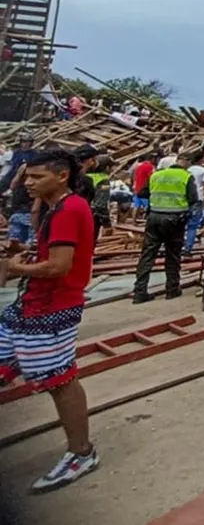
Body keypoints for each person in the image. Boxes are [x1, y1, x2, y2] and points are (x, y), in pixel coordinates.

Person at [0, 149, 98, 491]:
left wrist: (14, 268)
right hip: (30, 306)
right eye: (27, 176)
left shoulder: (69, 210)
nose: (27, 182)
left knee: (60, 380)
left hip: (52, 309)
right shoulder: (59, 208)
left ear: (61, 176)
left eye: (36, 177)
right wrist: (27, 254)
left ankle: (81, 453)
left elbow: (59, 266)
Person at [132, 154, 197, 303]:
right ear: (185, 162)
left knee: (147, 255)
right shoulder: (186, 176)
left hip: (154, 218)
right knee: (173, 255)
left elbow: (142, 192)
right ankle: (172, 289)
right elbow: (193, 199)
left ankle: (140, 291)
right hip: (175, 219)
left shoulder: (157, 175)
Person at [183, 151, 204, 255]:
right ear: (202, 160)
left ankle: (180, 244)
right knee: (192, 225)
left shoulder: (187, 170)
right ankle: (188, 248)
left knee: (183, 223)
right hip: (197, 199)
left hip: (185, 199)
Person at [86, 154, 113, 243]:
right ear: (106, 168)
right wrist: (107, 223)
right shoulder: (103, 180)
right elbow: (100, 204)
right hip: (92, 216)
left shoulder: (85, 176)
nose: (112, 170)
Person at [130, 152, 156, 225]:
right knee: (149, 206)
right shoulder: (150, 167)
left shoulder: (138, 167)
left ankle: (133, 221)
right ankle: (149, 222)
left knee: (136, 206)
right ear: (152, 159)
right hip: (145, 189)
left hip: (137, 188)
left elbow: (134, 177)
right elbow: (151, 177)